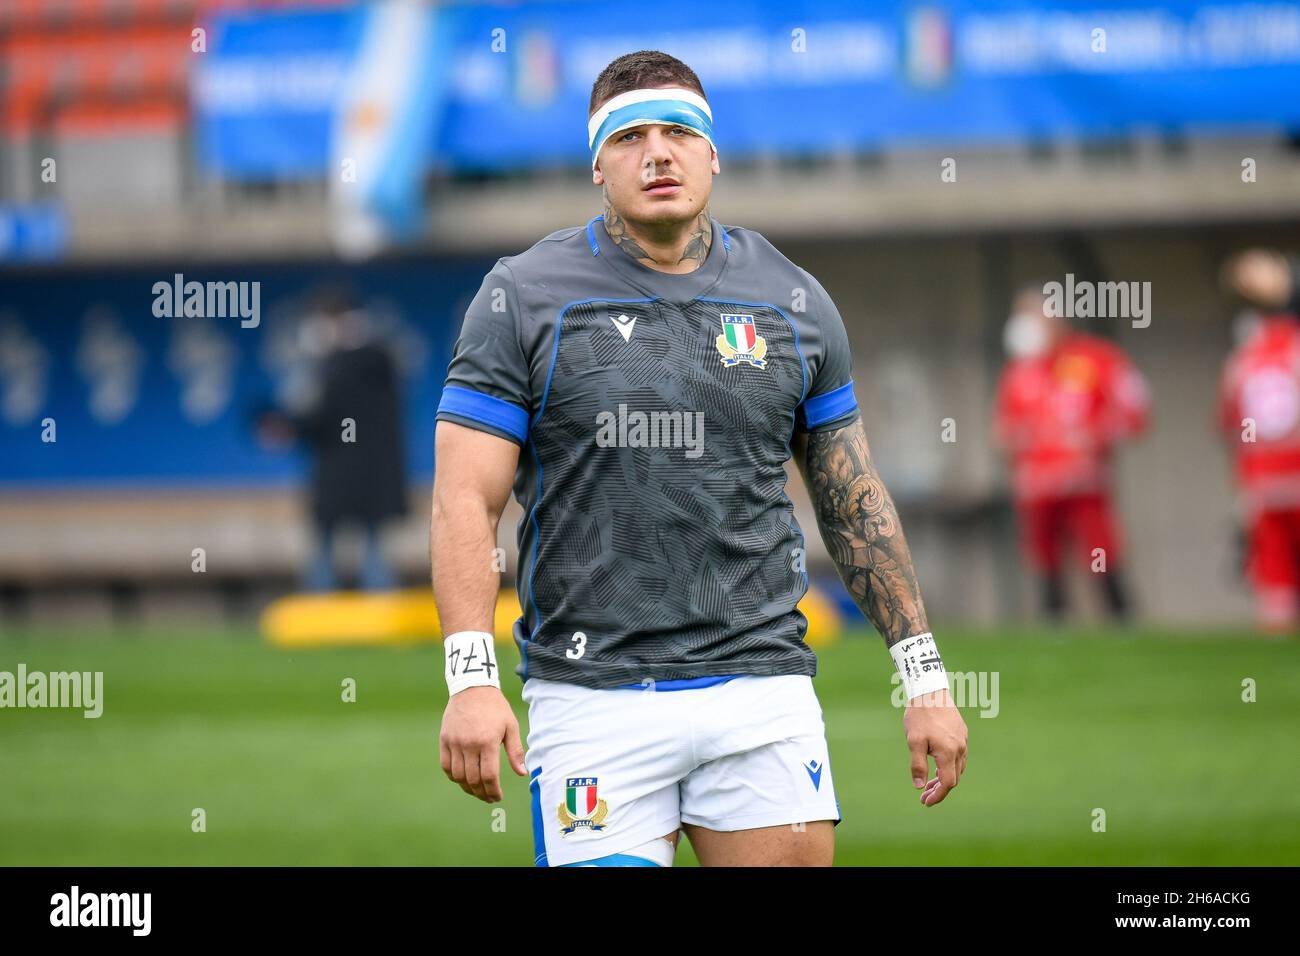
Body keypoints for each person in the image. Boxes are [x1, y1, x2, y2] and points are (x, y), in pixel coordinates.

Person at [430, 50, 966, 867]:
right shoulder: (522, 297)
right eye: (630, 136)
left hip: (762, 690)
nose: (658, 153)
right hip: (591, 697)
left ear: (712, 154)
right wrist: (470, 678)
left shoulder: (793, 301)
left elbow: (853, 501)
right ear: (598, 166)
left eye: (679, 131)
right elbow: (465, 500)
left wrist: (923, 680)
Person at [993, 284, 1150, 621]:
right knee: (1044, 557)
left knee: (1101, 550)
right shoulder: (1019, 373)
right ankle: (1056, 622)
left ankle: (1120, 617)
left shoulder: (1096, 358)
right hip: (1037, 488)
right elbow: (1004, 430)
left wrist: (1094, 437)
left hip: (1084, 484)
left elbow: (1134, 413)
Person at [259, 287, 407, 591]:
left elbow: (323, 415)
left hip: (339, 474)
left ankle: (319, 614)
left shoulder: (339, 365)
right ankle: (377, 620)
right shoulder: (381, 359)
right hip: (372, 475)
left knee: (330, 550)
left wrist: (291, 426)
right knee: (373, 548)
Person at [1217, 248, 1300, 633]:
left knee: (1276, 584)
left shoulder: (1242, 361)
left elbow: (1229, 425)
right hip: (1280, 479)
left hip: (1263, 483)